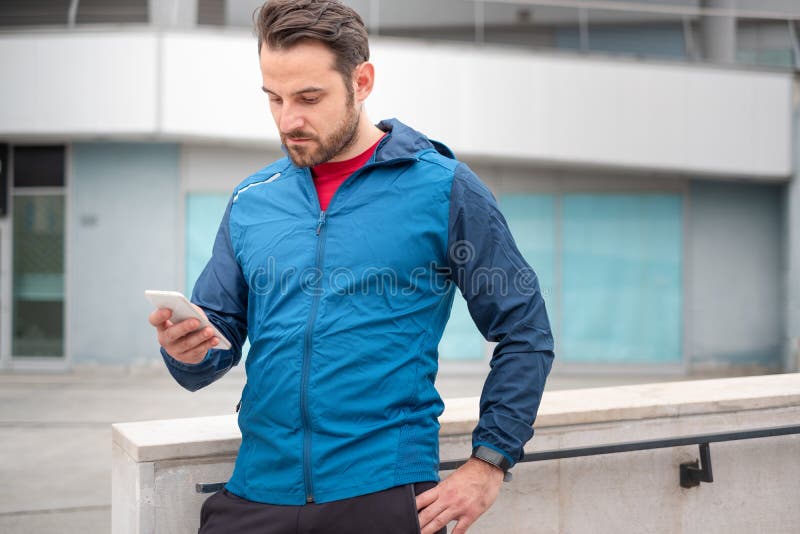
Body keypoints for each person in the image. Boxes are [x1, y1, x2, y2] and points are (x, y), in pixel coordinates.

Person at [148, 1, 554, 532]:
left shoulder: (443, 188)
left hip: (381, 496)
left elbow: (525, 331)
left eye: (309, 98)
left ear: (361, 81)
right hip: (255, 493)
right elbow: (215, 340)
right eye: (274, 98)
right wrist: (188, 347)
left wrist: (490, 461)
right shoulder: (252, 200)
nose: (288, 119)